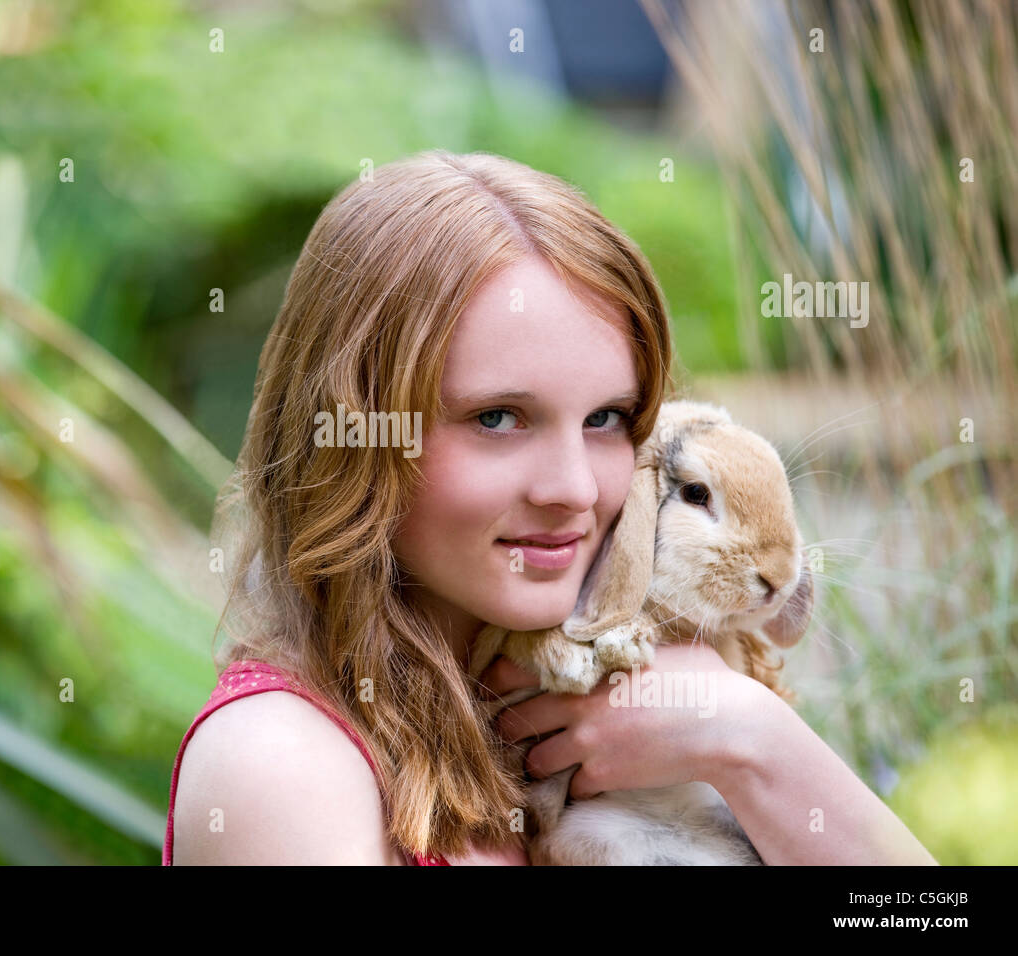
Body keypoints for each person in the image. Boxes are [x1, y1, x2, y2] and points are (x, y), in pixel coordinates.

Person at [163, 149, 936, 866]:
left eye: (605, 418)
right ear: (355, 436)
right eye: (497, 417)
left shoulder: (635, 716)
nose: (572, 487)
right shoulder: (285, 764)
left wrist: (751, 738)